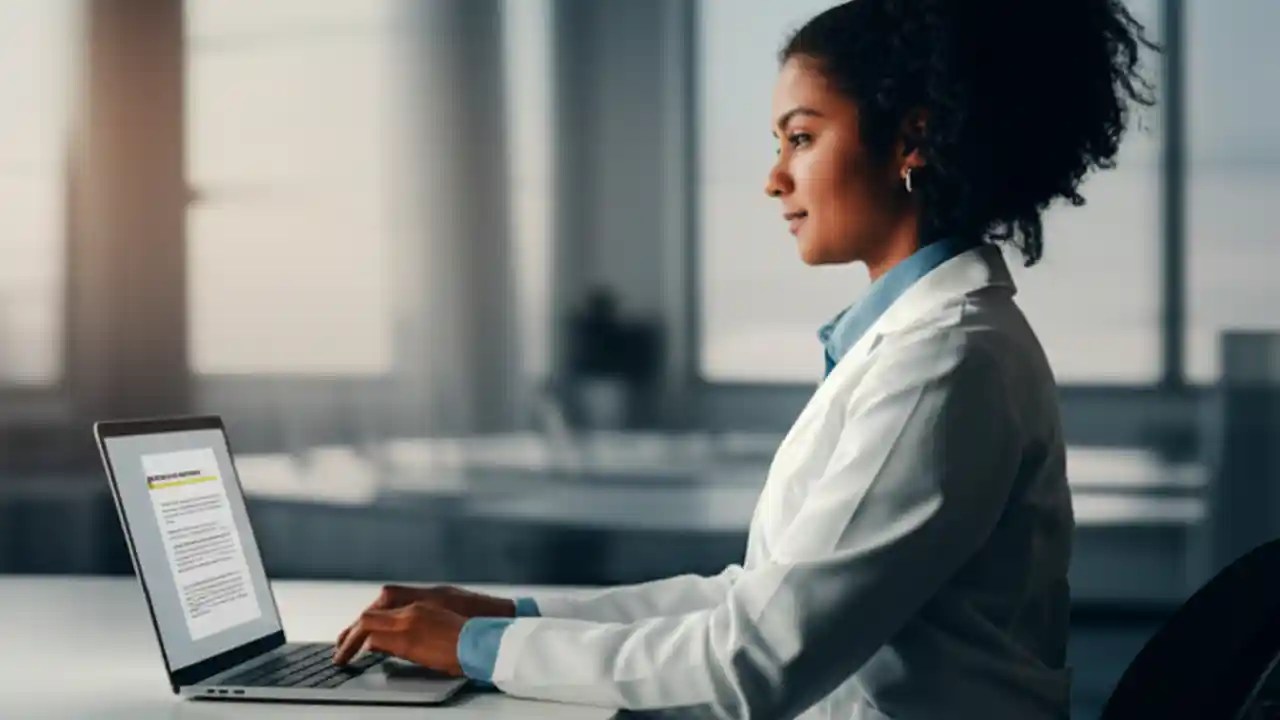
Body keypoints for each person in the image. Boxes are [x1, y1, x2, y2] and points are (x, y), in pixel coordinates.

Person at [332, 0, 1156, 717]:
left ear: (914, 139)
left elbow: (751, 662)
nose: (774, 178)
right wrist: (509, 617)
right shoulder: (923, 345)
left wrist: (477, 648)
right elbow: (755, 601)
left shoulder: (946, 363)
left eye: (801, 137)